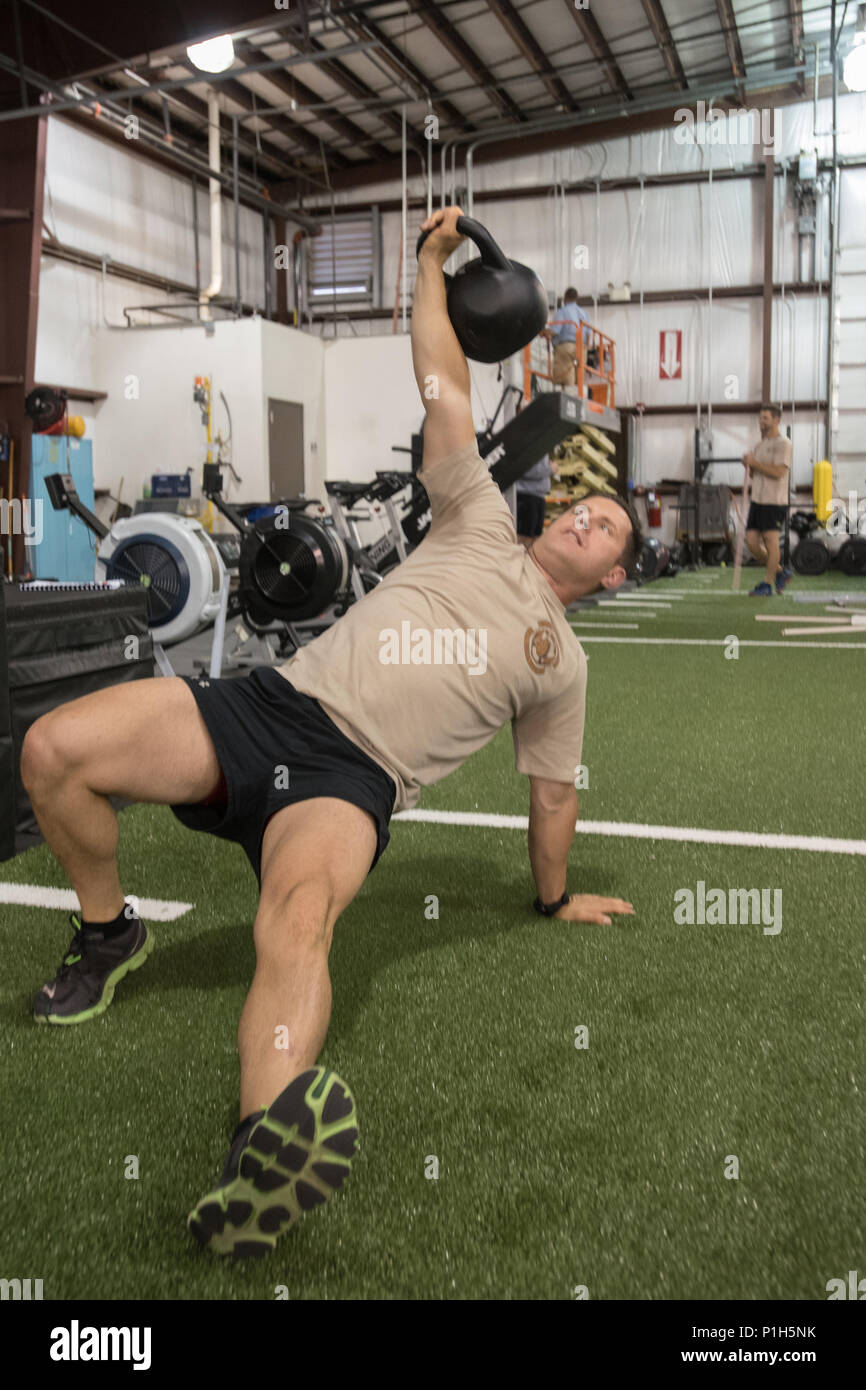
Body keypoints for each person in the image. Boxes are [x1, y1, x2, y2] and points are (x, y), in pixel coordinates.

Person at [19, 206, 637, 1261]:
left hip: (349, 779)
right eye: (582, 505)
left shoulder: (562, 666)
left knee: (295, 920)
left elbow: (552, 793)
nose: (583, 515)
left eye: (607, 525)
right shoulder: (479, 517)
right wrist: (428, 269)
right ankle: (109, 929)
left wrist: (551, 896)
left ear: (613, 576)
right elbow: (441, 383)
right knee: (53, 751)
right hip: (265, 705)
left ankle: (260, 1148)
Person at [743, 404, 793, 596]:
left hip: (775, 502)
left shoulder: (784, 444)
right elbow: (757, 474)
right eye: (760, 418)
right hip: (758, 500)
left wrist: (755, 463)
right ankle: (781, 572)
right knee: (752, 543)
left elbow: (779, 472)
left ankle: (767, 584)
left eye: (765, 418)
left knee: (771, 542)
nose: (761, 421)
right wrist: (748, 465)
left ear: (776, 420)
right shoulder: (760, 445)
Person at [545, 287, 591, 387]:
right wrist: (586, 347)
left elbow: (554, 331)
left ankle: (569, 397)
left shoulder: (562, 312)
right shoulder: (584, 313)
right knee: (579, 376)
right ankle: (580, 397)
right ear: (576, 298)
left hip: (566, 347)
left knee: (566, 375)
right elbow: (588, 334)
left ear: (565, 298)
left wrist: (543, 332)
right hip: (582, 348)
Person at [516, 451, 558, 548]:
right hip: (526, 496)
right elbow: (523, 469)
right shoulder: (528, 443)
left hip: (538, 496)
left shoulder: (541, 444)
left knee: (533, 540)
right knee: (523, 540)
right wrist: (549, 469)